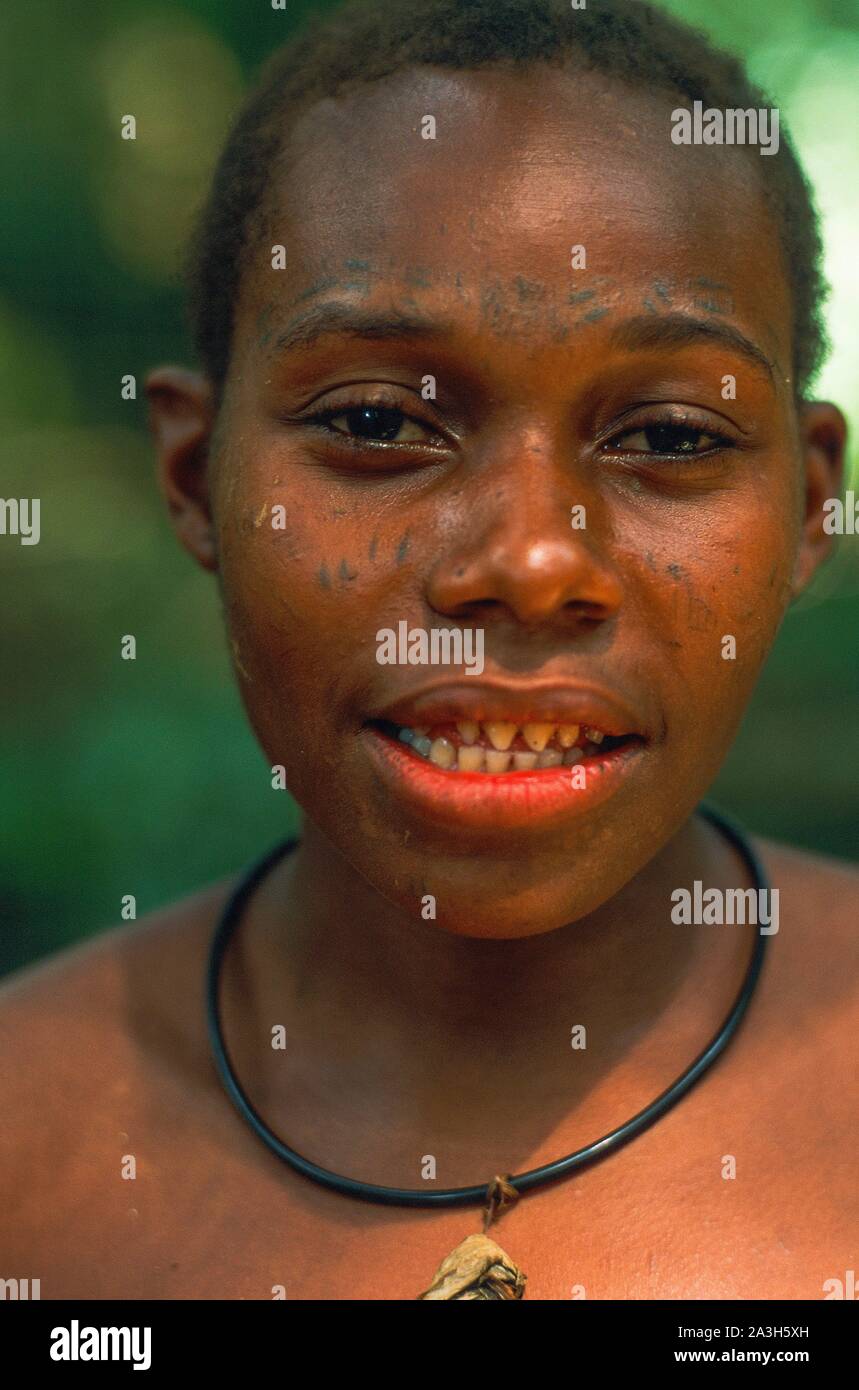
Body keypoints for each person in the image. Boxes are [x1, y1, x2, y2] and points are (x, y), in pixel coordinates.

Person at [1, 0, 856, 1301]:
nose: (528, 561)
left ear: (807, 510)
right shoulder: (30, 1154)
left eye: (672, 437)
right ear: (194, 477)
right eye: (377, 421)